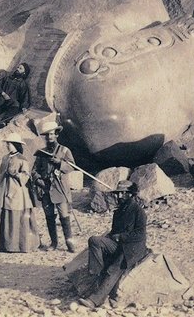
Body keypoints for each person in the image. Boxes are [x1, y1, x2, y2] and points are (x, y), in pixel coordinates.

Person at [78, 180, 148, 308]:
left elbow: (140, 235)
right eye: (119, 193)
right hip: (119, 245)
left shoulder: (138, 211)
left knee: (113, 269)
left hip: (133, 248)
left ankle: (94, 300)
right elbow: (114, 231)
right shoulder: (118, 211)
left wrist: (121, 236)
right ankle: (97, 274)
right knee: (94, 240)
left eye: (124, 194)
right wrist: (110, 237)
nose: (120, 196)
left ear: (131, 195)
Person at [32, 117, 77, 252]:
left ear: (56, 135)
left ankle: (69, 243)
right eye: (47, 135)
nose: (50, 137)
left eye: (52, 134)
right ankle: (54, 243)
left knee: (64, 215)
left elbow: (72, 166)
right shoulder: (41, 153)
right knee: (49, 216)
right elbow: (34, 170)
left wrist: (59, 163)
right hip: (45, 188)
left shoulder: (64, 151)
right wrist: (38, 180)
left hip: (60, 187)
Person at [0, 132, 38, 253]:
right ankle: (0, 244)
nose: (7, 146)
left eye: (9, 144)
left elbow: (26, 176)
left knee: (16, 217)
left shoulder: (22, 159)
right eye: (7, 144)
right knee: (1, 215)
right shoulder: (5, 158)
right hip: (3, 190)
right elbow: (0, 174)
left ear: (16, 145)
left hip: (16, 192)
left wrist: (16, 174)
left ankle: (16, 246)